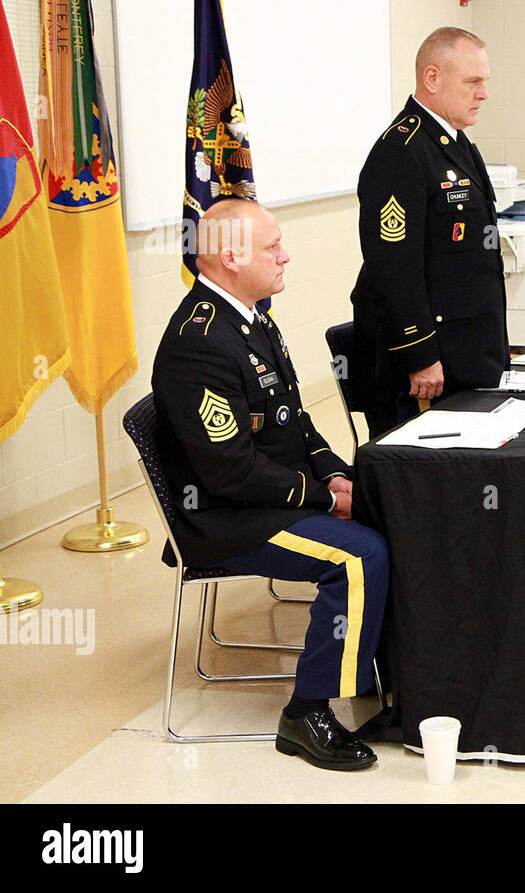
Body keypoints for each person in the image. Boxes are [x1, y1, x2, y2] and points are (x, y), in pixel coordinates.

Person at [152, 199, 388, 769]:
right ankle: (306, 714)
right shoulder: (200, 340)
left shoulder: (254, 317)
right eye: (272, 246)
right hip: (224, 518)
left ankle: (378, 670)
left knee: (388, 508)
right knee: (359, 556)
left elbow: (296, 422)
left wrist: (335, 473)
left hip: (269, 495)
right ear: (231, 257)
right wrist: (326, 497)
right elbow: (229, 471)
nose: (286, 255)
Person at [351, 26, 509, 437]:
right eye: (472, 81)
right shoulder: (401, 152)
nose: (483, 94)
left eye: (484, 82)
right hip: (427, 366)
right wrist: (419, 353)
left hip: (465, 353)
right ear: (433, 78)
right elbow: (392, 265)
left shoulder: (453, 142)